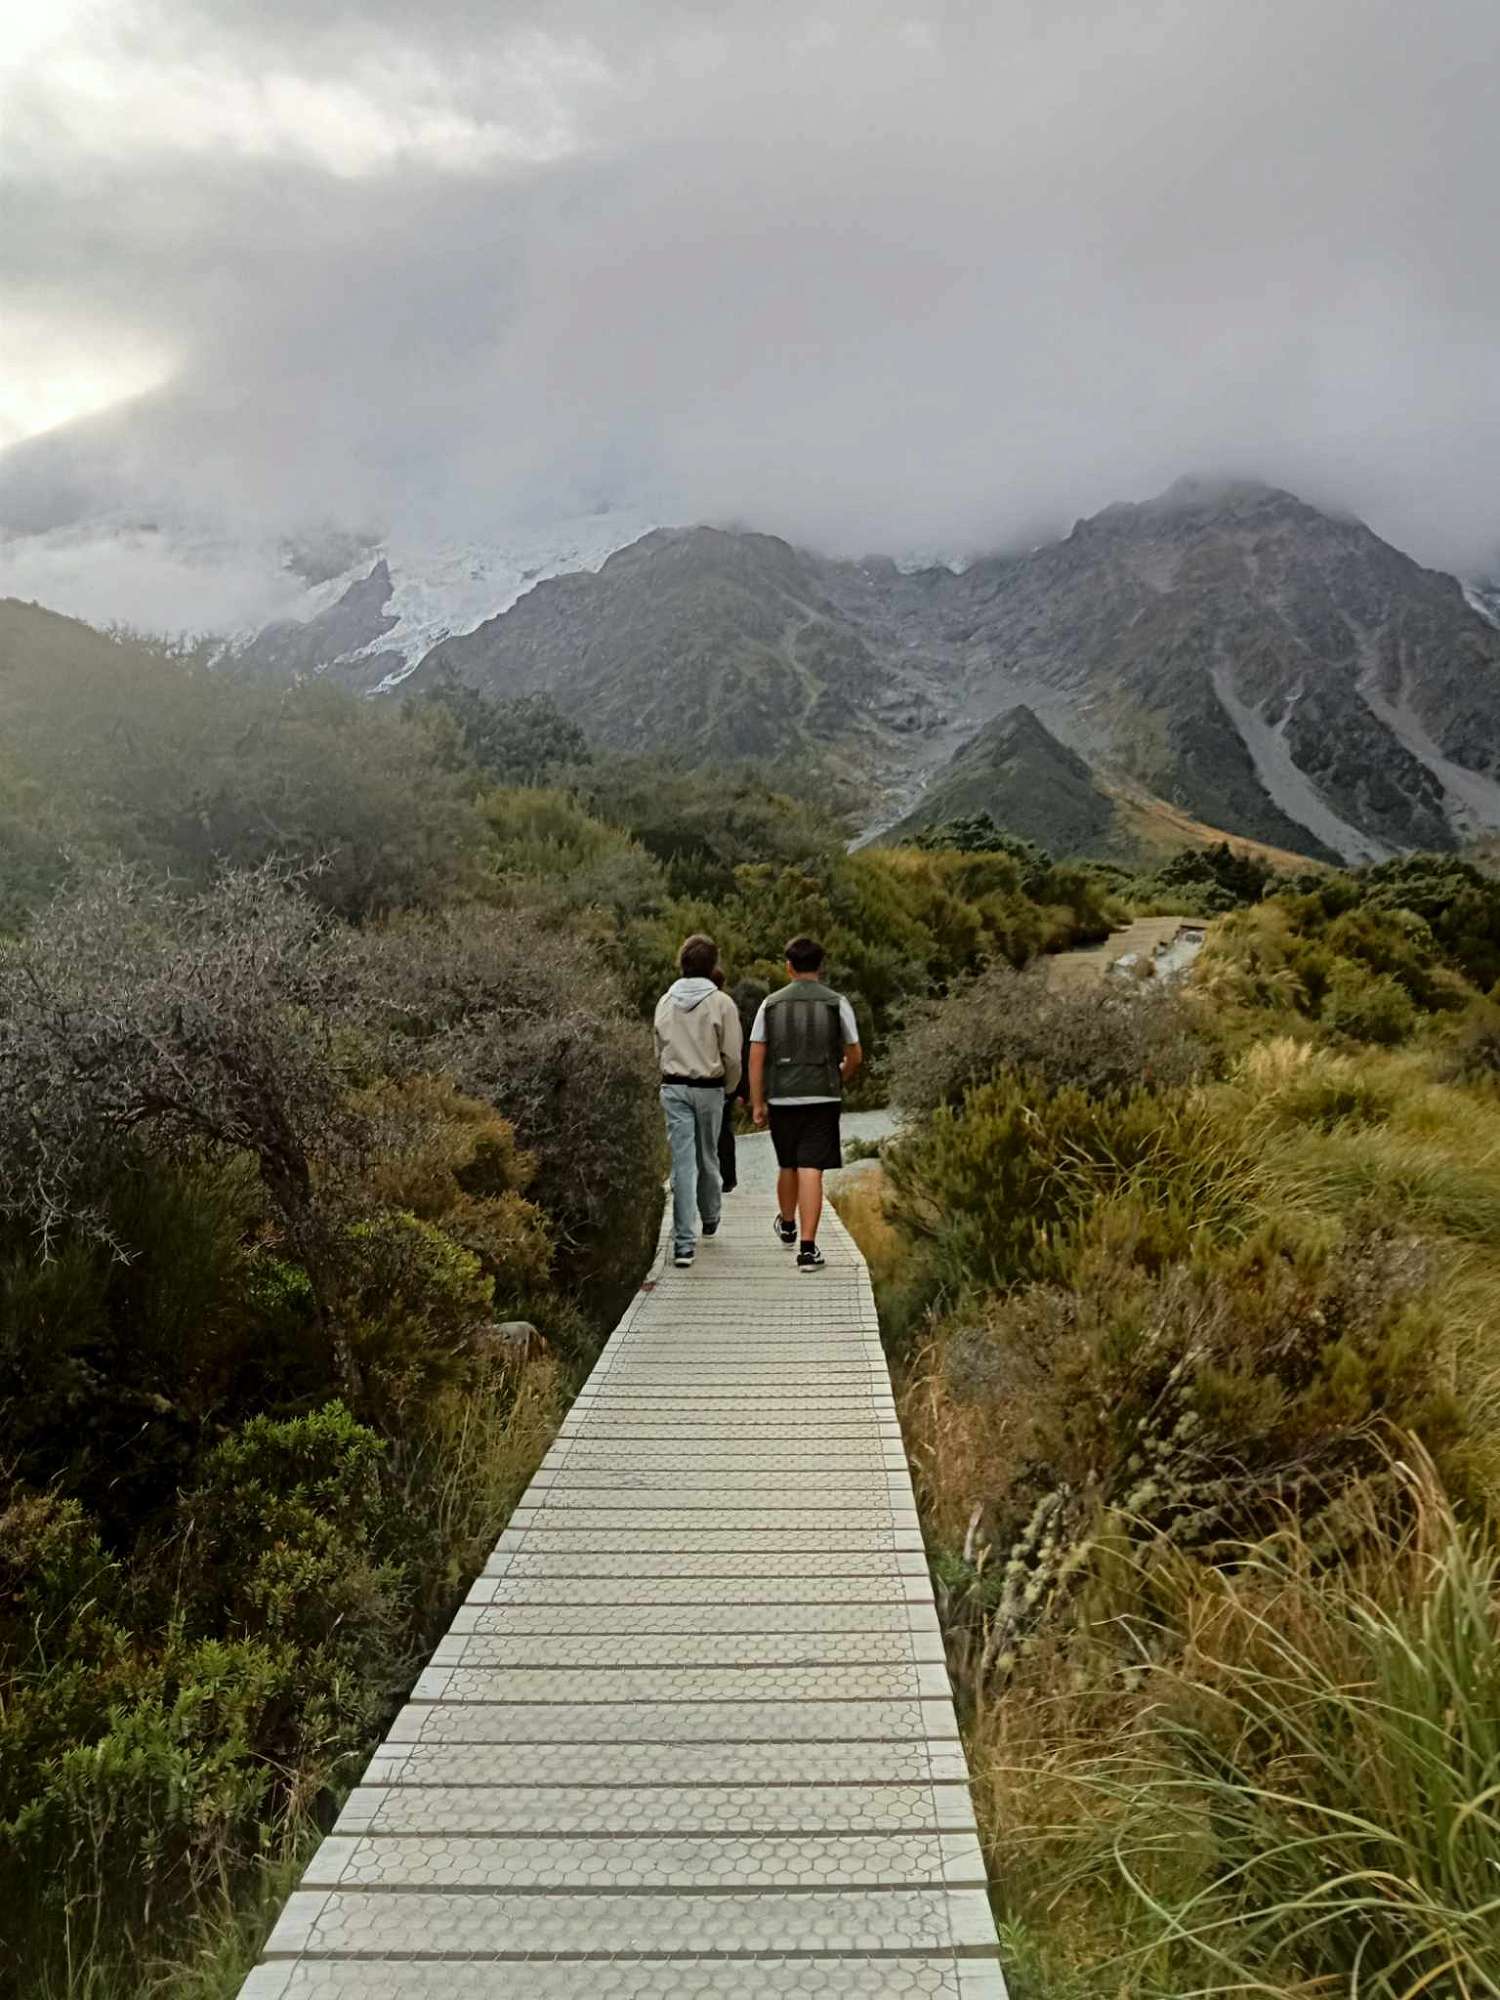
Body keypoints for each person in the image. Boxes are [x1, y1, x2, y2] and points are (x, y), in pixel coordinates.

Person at [748, 935, 862, 1272]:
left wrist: (758, 1100)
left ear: (788, 967)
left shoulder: (770, 1004)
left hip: (782, 1095)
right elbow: (854, 1052)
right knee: (812, 1166)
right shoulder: (836, 1002)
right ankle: (808, 1249)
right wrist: (841, 1074)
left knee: (788, 1163)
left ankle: (787, 1224)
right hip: (823, 1095)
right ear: (821, 966)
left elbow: (756, 1054)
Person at [654, 933, 744, 1269]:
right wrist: (730, 1088)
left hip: (674, 1087)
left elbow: (658, 1046)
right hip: (709, 1088)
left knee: (682, 1161)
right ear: (712, 965)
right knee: (708, 1155)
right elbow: (732, 1055)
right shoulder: (721, 1003)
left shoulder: (665, 1001)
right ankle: (710, 1216)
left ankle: (683, 1245)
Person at [709, 966, 749, 1193]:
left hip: (709, 1077)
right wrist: (740, 1089)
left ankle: (709, 1177)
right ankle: (728, 1178)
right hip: (726, 1079)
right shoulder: (728, 1007)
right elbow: (737, 1053)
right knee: (724, 1129)